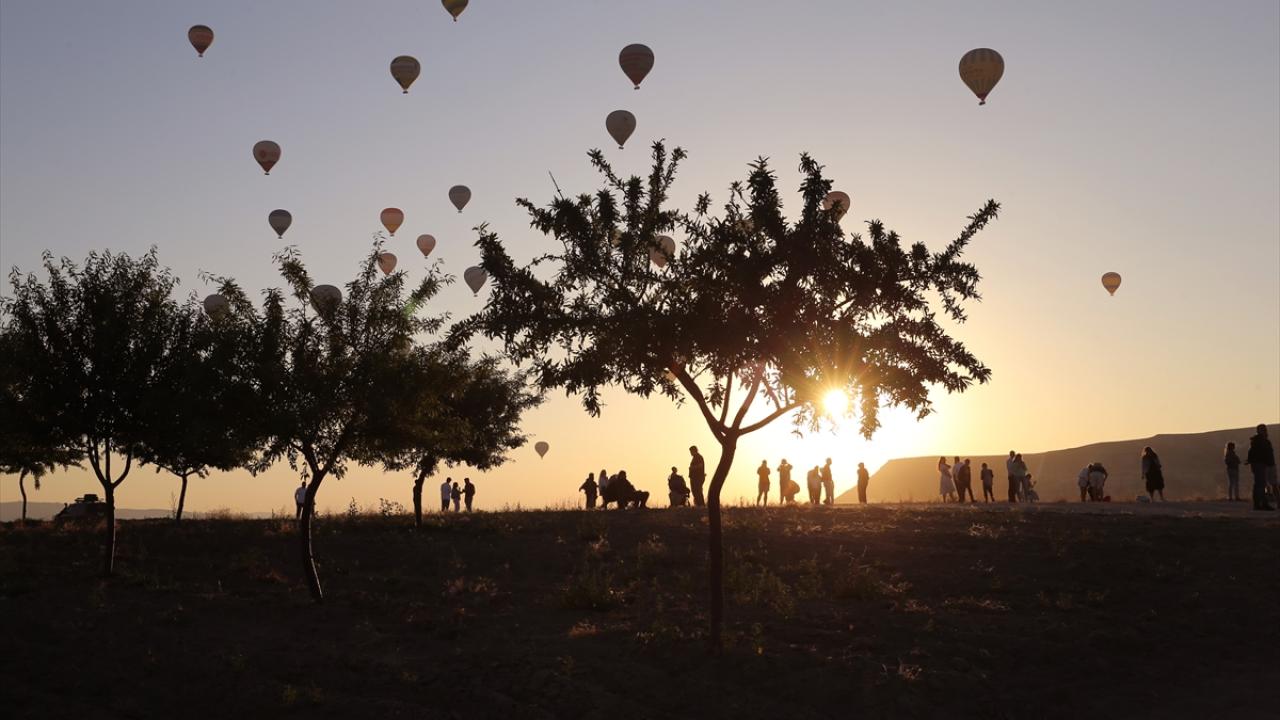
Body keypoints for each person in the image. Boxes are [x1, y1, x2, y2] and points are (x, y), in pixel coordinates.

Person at [1245, 424, 1275, 511]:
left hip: (1261, 464)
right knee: (1260, 484)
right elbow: (1259, 453)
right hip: (1259, 464)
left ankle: (1259, 504)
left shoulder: (1260, 440)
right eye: (1263, 429)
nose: (1265, 431)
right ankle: (1261, 504)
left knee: (1260, 484)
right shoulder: (1259, 441)